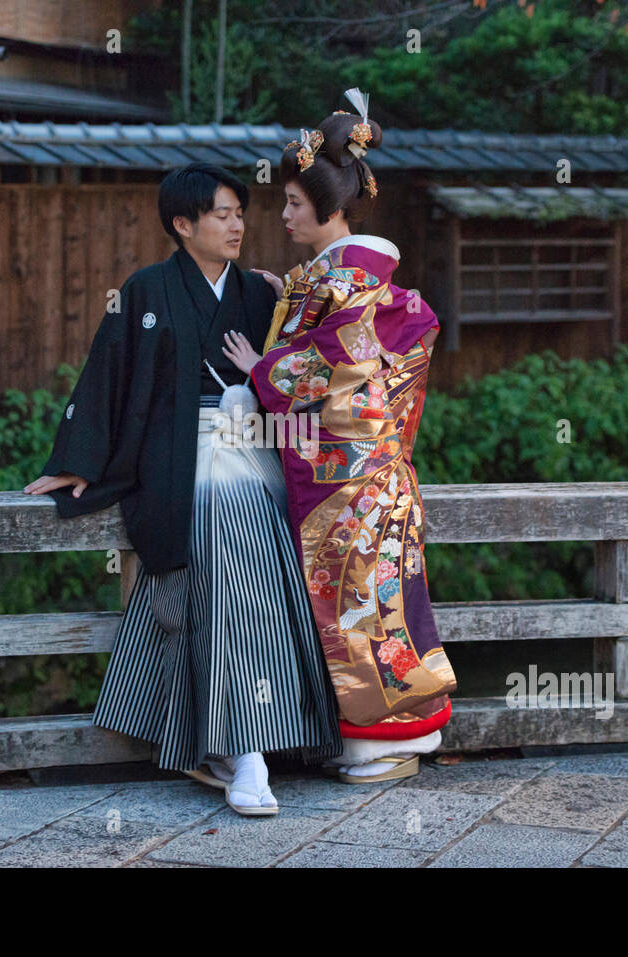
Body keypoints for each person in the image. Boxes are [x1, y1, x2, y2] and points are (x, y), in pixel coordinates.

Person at [23, 163, 343, 816]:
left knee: (249, 567)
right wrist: (80, 460)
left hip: (252, 450)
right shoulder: (145, 290)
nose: (236, 224)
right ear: (182, 224)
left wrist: (282, 332)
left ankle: (234, 742)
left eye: (239, 212)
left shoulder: (260, 294)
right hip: (183, 456)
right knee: (228, 551)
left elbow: (304, 380)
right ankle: (248, 751)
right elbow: (107, 377)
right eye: (221, 213)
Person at [222, 90, 457, 784]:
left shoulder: (349, 274)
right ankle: (379, 735)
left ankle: (386, 740)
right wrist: (280, 305)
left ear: (328, 207)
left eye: (294, 203)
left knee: (364, 607)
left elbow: (339, 361)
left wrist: (261, 369)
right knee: (369, 604)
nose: (285, 213)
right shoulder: (339, 273)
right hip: (356, 470)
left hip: (350, 477)